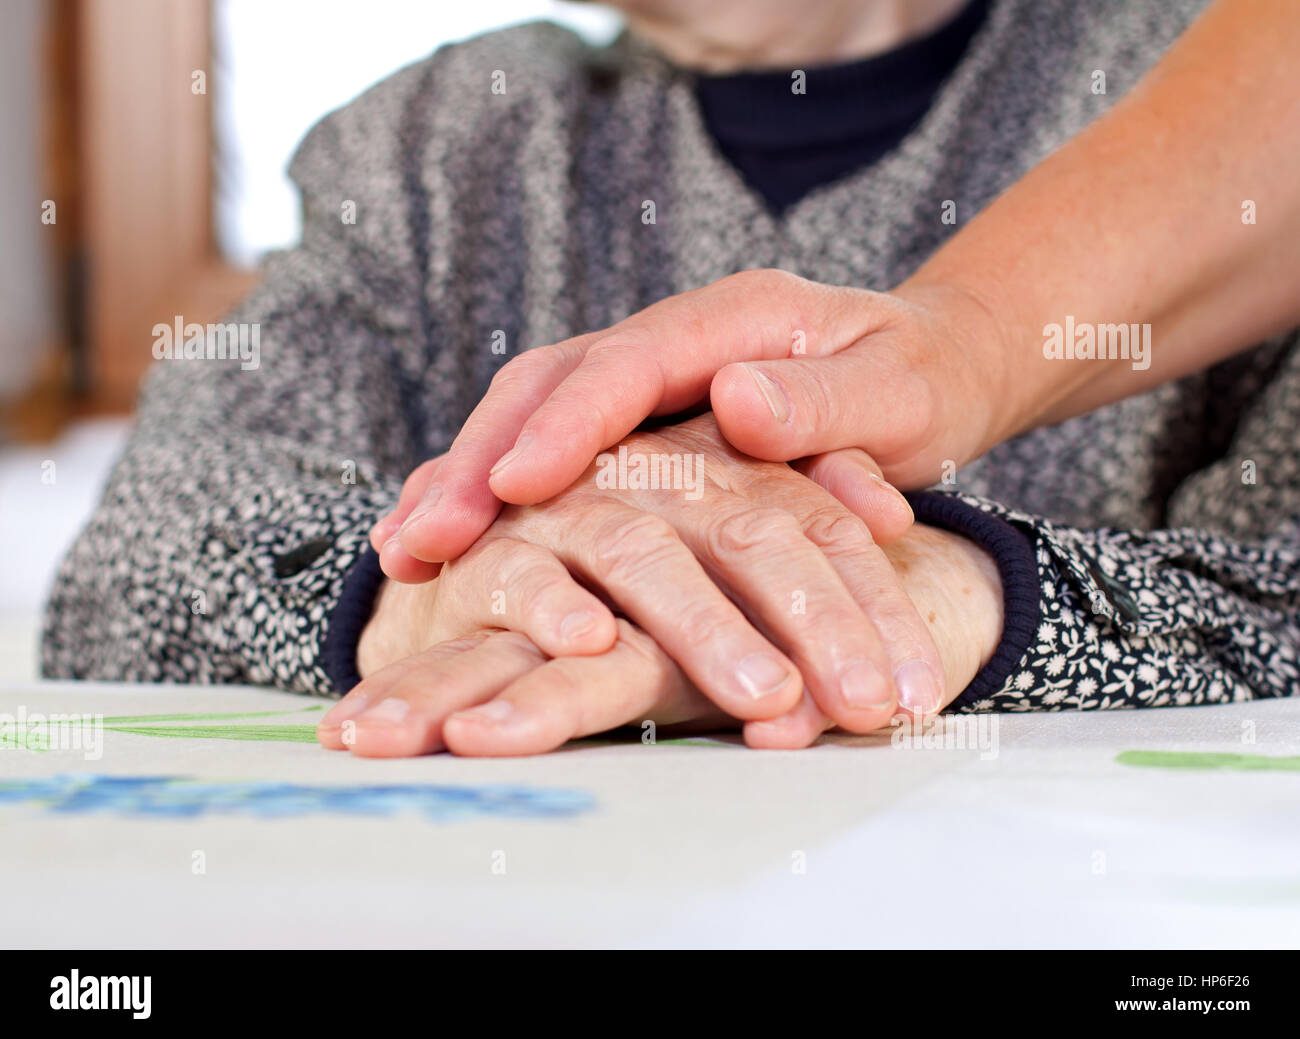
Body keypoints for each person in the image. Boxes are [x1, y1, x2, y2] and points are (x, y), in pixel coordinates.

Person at [42, 0, 1300, 759]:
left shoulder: (1195, 82)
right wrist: (425, 589)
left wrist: (966, 594)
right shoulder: (441, 143)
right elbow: (142, 551)